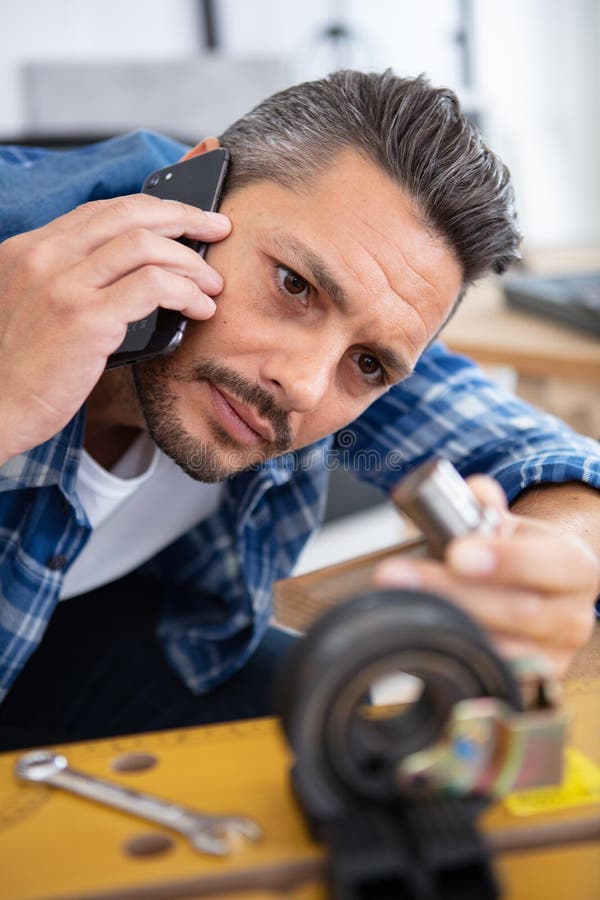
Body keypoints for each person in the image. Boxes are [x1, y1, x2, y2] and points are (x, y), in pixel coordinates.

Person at [0, 71, 598, 750]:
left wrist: (557, 550)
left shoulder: (356, 318)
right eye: (295, 285)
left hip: (93, 628)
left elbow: (545, 456)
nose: (306, 386)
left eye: (367, 363)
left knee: (335, 719)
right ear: (194, 189)